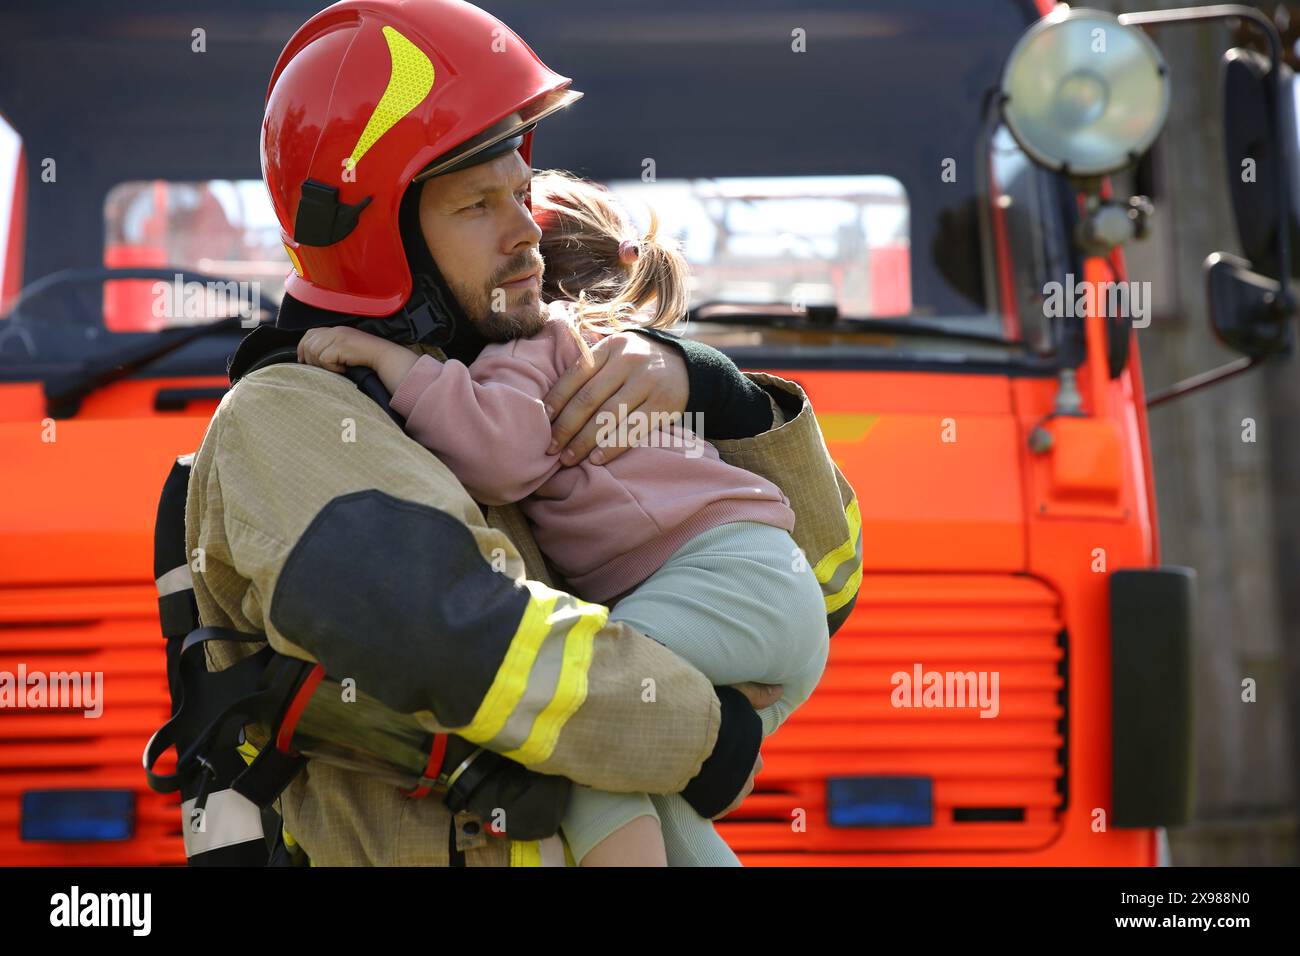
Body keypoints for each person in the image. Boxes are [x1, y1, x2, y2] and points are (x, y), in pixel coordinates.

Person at [188, 0, 862, 866]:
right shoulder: (288, 418)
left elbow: (819, 585)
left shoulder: (504, 375)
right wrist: (699, 729)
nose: (526, 230)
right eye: (477, 205)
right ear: (378, 239)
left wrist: (711, 394)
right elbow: (460, 634)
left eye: (522, 193)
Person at [297, 170, 831, 865]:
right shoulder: (616, 353)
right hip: (767, 599)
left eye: (511, 211)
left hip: (724, 580)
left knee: (577, 721)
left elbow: (500, 455)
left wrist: (391, 362)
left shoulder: (535, 340)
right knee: (646, 784)